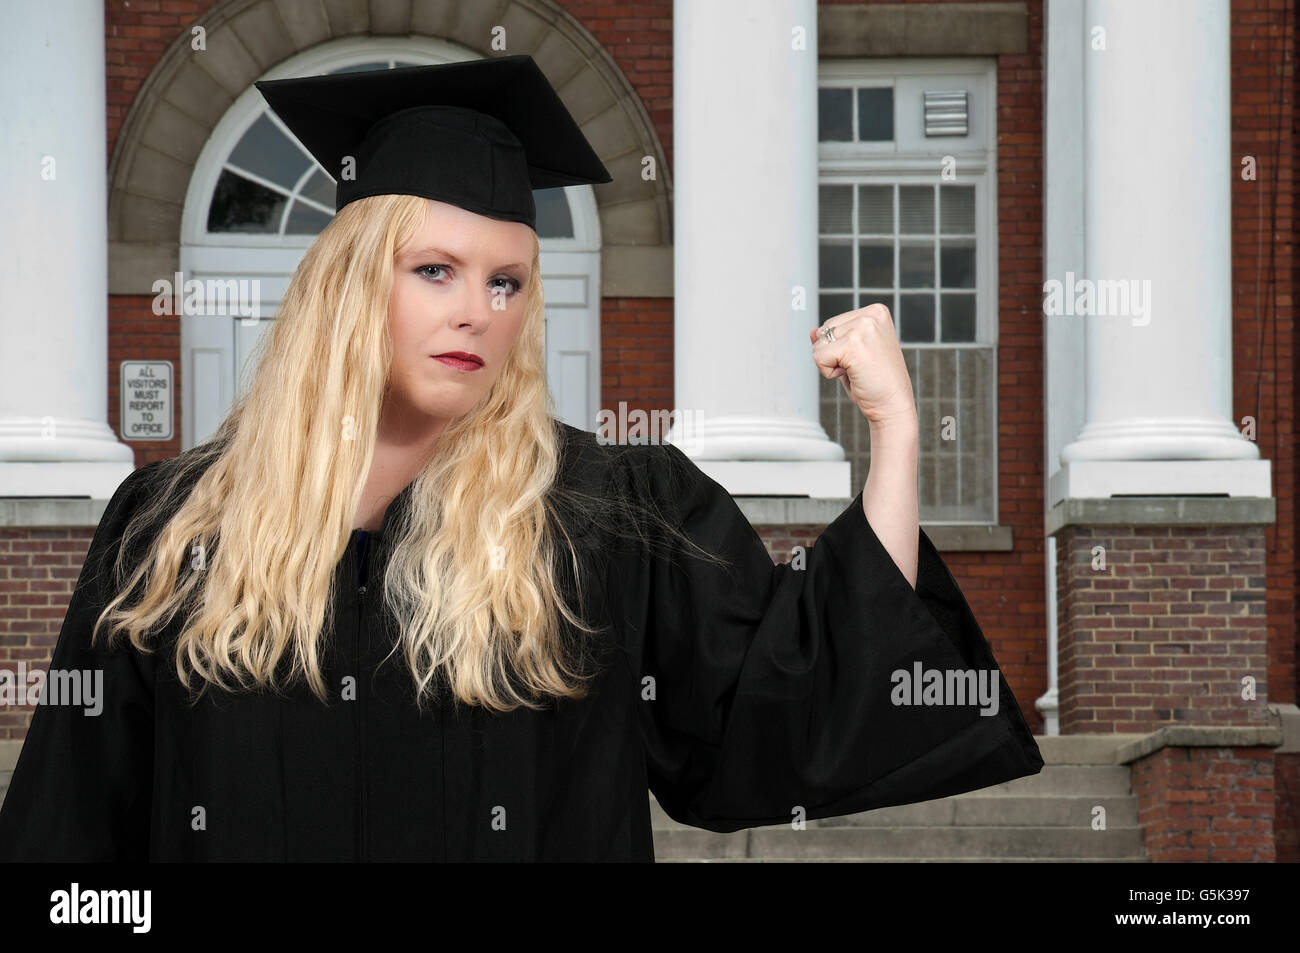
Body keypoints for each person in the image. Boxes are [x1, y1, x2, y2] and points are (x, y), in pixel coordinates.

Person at [0, 54, 1041, 862]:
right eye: (436, 269)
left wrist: (895, 434)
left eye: (507, 282)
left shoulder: (606, 510)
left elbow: (793, 708)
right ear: (349, 286)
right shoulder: (174, 524)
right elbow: (72, 833)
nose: (475, 311)